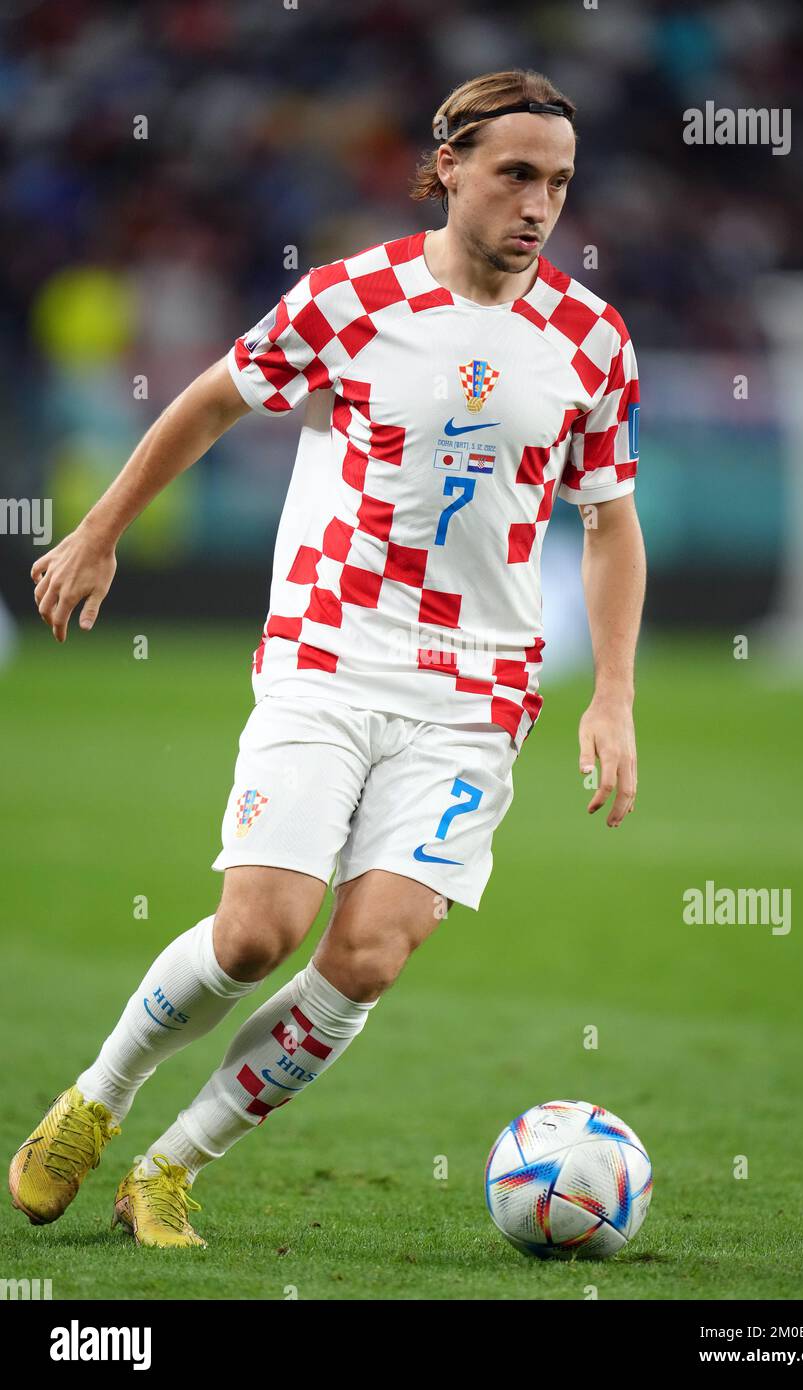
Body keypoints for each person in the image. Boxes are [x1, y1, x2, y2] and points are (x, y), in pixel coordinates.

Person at [11, 68, 645, 1248]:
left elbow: (608, 520)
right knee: (259, 930)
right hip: (329, 651)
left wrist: (609, 693)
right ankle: (94, 1103)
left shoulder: (589, 339)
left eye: (557, 183)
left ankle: (168, 1168)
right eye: (514, 173)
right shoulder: (352, 299)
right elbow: (208, 398)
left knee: (365, 956)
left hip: (477, 692)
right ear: (447, 164)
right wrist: (99, 530)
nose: (538, 204)